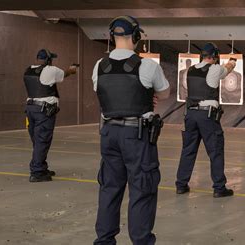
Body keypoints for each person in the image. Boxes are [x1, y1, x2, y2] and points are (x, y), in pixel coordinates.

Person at [92, 16, 170, 244]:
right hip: (136, 136)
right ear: (136, 36)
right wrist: (147, 97)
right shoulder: (147, 66)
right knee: (142, 189)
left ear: (111, 37)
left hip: (109, 134)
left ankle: (104, 240)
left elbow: (104, 92)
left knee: (109, 189)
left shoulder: (100, 66)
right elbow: (164, 93)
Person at [175, 42, 237, 198]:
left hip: (190, 114)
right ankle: (219, 188)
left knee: (188, 150)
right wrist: (232, 61)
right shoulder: (214, 69)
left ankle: (181, 185)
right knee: (215, 151)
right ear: (215, 57)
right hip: (207, 117)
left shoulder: (190, 70)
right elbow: (227, 69)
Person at [24, 49, 77, 182]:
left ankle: (41, 167)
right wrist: (72, 70)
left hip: (30, 108)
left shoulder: (28, 70)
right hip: (44, 111)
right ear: (48, 60)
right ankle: (37, 172)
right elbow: (64, 74)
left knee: (37, 140)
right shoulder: (51, 70)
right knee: (42, 140)